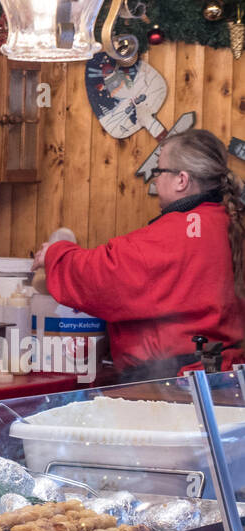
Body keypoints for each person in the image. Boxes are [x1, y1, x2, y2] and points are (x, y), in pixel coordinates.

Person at [33, 129, 245, 381]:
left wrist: (54, 253)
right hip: (221, 374)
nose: (154, 181)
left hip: (172, 382)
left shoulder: (177, 233)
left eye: (159, 171)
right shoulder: (228, 223)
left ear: (182, 180)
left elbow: (104, 276)